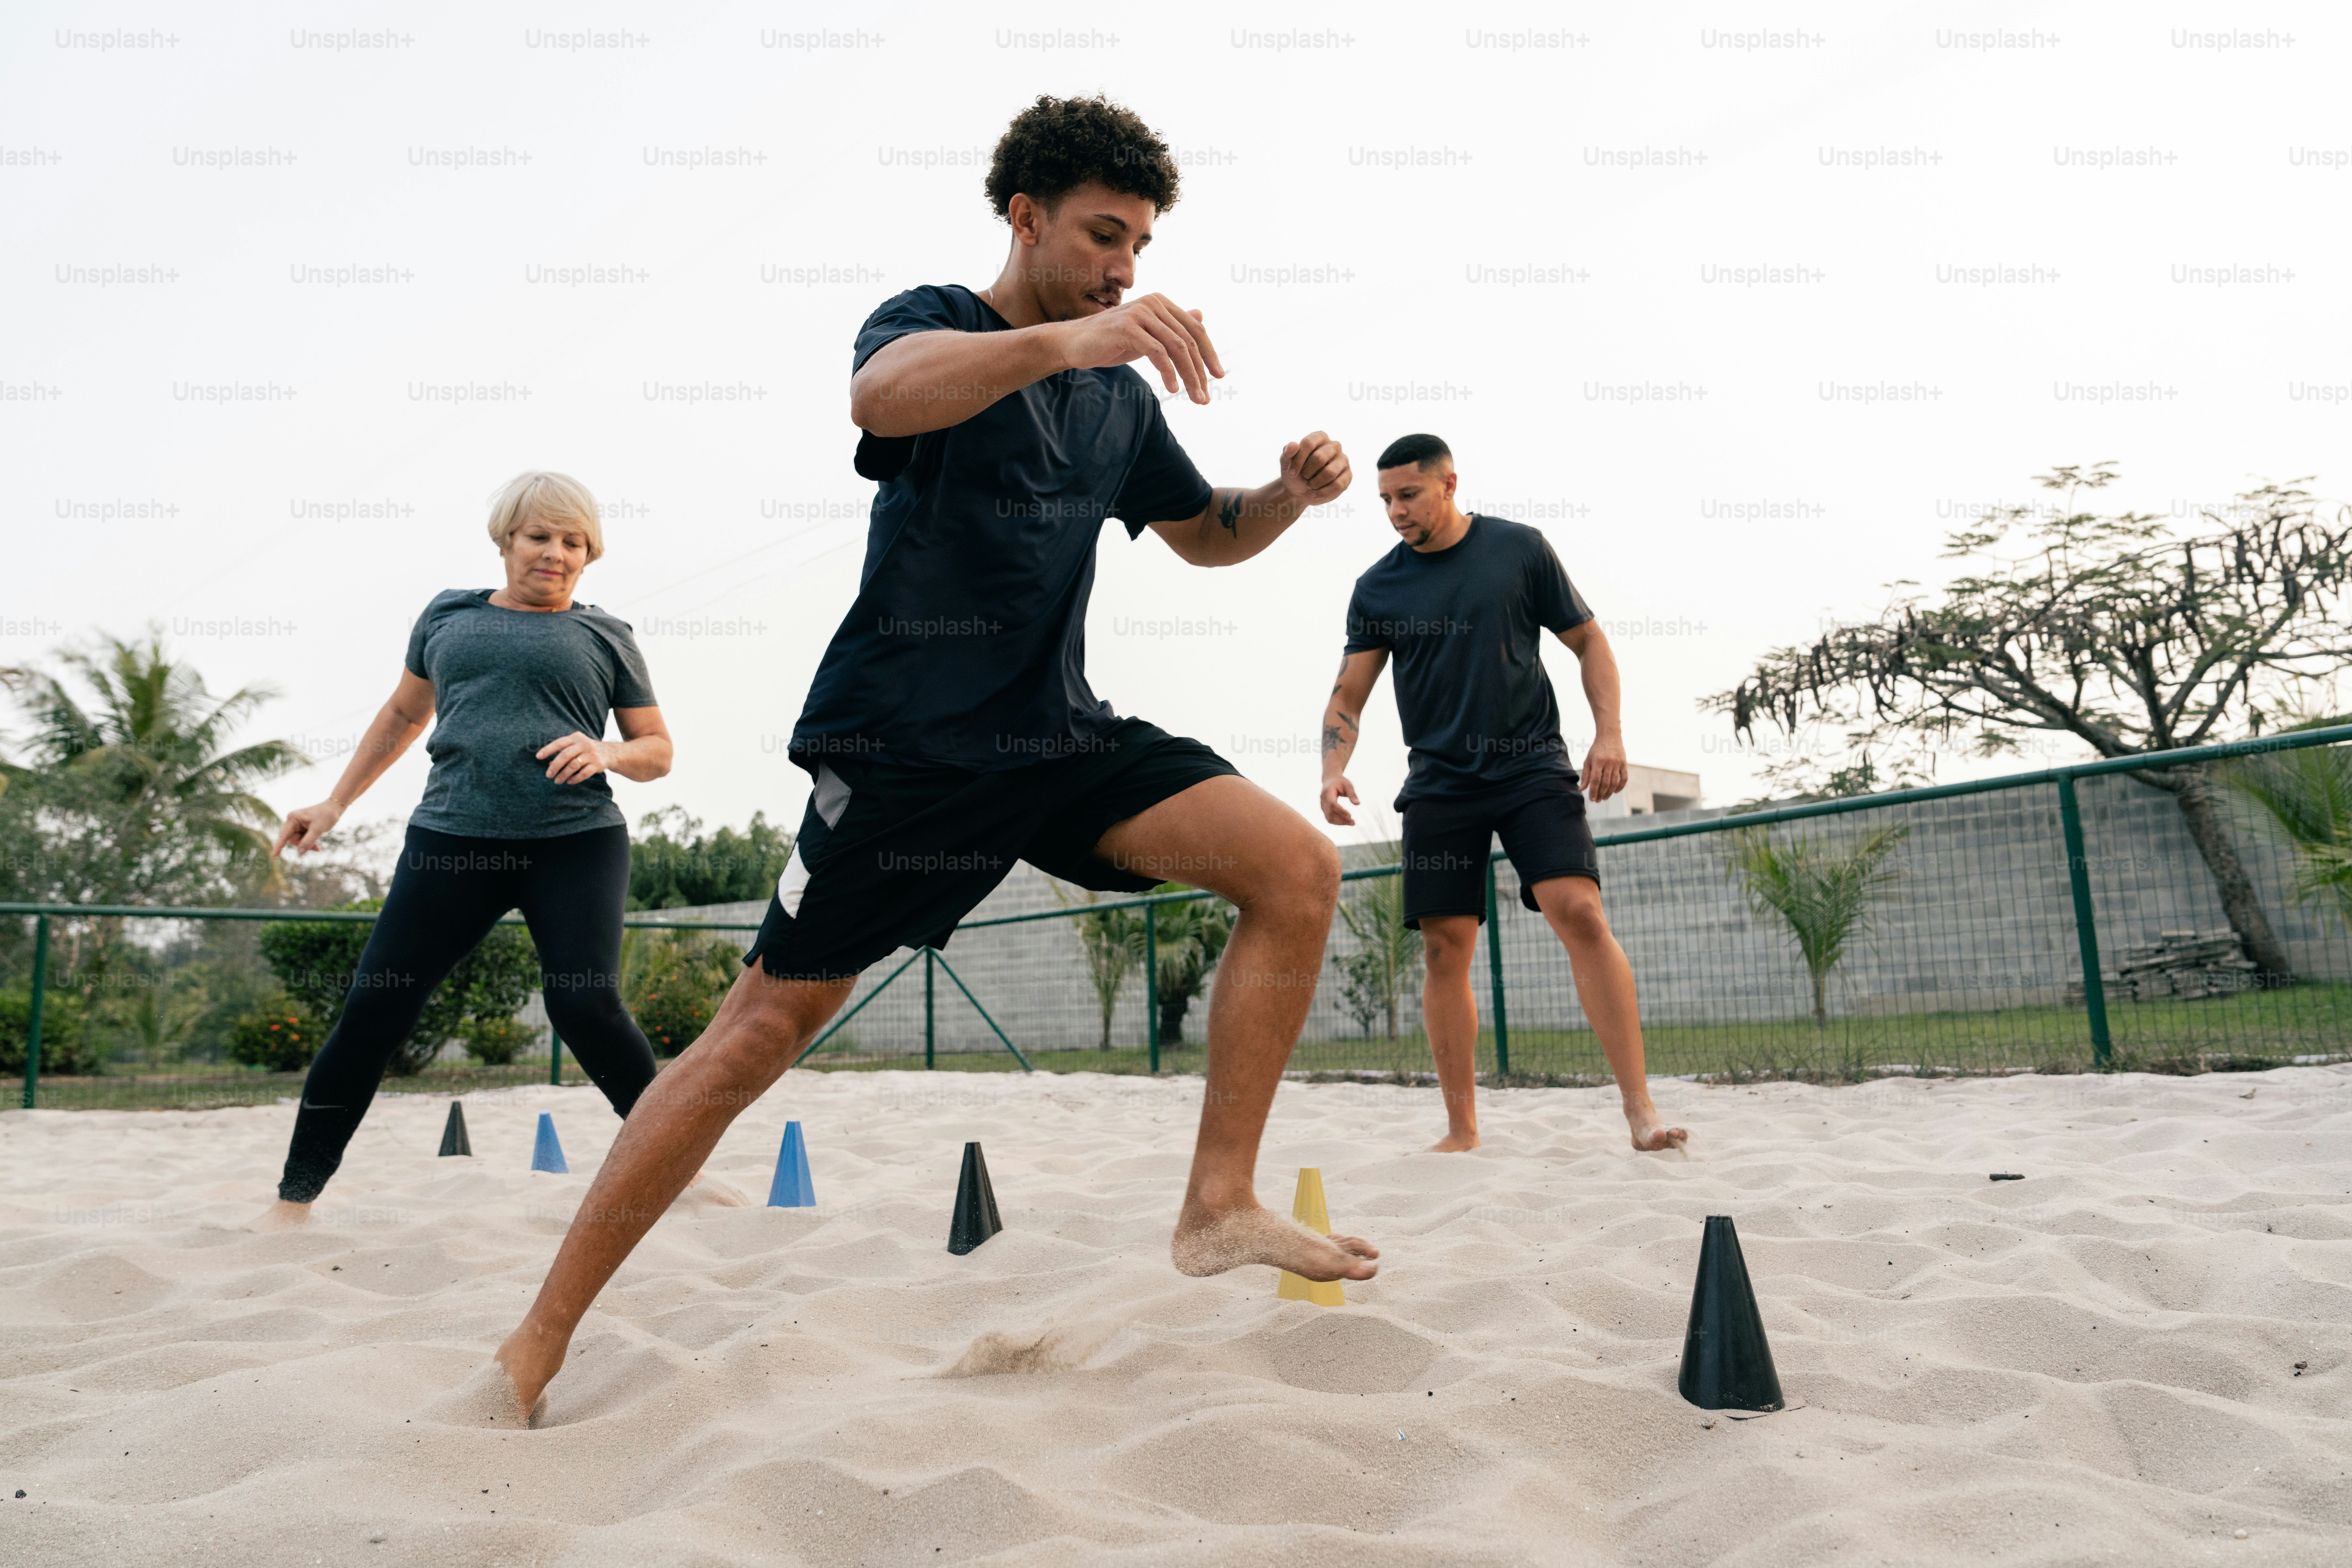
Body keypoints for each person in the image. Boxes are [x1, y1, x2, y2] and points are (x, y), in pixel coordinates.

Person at [483, 94, 1371, 1424]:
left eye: (1138, 246)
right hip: (907, 752)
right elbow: (879, 398)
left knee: (1296, 868)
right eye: (1103, 235)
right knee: (755, 1035)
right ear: (1025, 216)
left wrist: (1288, 498)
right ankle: (535, 1344)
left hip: (1056, 736)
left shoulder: (1117, 402)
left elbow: (1205, 533)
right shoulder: (929, 323)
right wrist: (1069, 337)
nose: (1124, 268)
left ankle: (1217, 1200)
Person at [252, 471, 677, 1229]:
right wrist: (335, 802)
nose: (555, 554)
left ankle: (678, 1173)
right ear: (506, 540)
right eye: (539, 537)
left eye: (573, 542)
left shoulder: (606, 635)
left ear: (589, 554)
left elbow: (657, 749)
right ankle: (295, 1198)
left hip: (574, 842)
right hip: (451, 840)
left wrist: (607, 752)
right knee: (376, 1010)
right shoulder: (448, 615)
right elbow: (402, 714)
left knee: (584, 1004)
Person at [1318, 434, 1688, 1156]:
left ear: (1449, 483)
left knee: (1578, 910)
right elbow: (1348, 694)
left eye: (1408, 495)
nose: (1396, 511)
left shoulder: (1518, 549)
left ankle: (1640, 1111)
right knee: (1442, 949)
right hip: (1439, 783)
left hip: (1530, 769)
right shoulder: (1377, 588)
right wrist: (1332, 769)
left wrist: (1608, 735)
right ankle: (1461, 1129)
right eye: (1385, 500)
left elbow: (1589, 642)